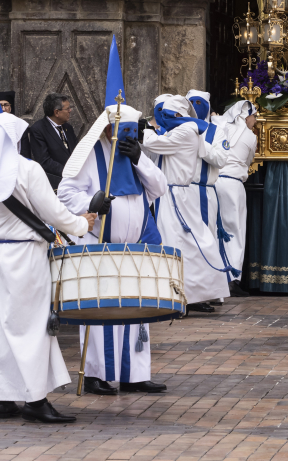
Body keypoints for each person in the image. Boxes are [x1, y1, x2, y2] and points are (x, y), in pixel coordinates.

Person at [0, 89, 94, 423]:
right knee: (33, 329)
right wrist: (81, 223)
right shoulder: (28, 170)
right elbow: (55, 213)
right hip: (26, 255)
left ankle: (5, 399)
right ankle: (35, 400)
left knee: (3, 329)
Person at [58, 102, 168, 396]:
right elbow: (65, 191)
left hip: (136, 245)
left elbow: (159, 188)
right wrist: (91, 203)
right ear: (108, 128)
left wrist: (139, 160)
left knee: (136, 309)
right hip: (100, 245)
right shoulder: (89, 153)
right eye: (123, 131)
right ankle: (96, 374)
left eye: (133, 132)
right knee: (102, 310)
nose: (127, 136)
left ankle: (134, 374)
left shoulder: (135, 154)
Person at [141, 94, 231, 312]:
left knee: (181, 243)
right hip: (171, 194)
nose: (164, 118)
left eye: (168, 114)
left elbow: (155, 143)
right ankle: (182, 294)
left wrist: (142, 129)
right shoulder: (184, 129)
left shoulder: (185, 131)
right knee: (178, 243)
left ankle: (188, 295)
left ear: (178, 115)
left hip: (177, 196)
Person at [186, 90, 241, 298]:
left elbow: (220, 159)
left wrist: (199, 143)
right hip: (180, 191)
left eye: (199, 103)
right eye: (191, 103)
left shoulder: (216, 131)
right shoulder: (177, 128)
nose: (195, 107)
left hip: (204, 191)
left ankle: (207, 293)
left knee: (207, 240)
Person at [213, 100, 258, 297]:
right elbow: (248, 161)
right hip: (233, 184)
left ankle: (215, 276)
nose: (255, 121)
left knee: (214, 229)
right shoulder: (250, 137)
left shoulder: (220, 127)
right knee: (235, 230)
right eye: (254, 116)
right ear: (246, 116)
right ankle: (233, 278)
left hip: (214, 183)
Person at [23, 93, 78, 189]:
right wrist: (68, 172)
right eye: (67, 108)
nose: (70, 111)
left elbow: (76, 150)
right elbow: (44, 160)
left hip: (75, 181)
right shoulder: (38, 129)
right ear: (56, 112)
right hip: (55, 184)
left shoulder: (68, 127)